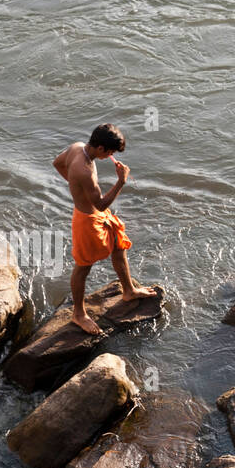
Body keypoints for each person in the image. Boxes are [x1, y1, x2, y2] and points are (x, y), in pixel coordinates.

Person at [52, 123, 155, 334]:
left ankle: (128, 290)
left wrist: (74, 185)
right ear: (101, 149)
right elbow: (100, 204)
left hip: (95, 214)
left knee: (118, 245)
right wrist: (121, 181)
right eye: (110, 152)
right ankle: (78, 314)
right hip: (87, 220)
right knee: (83, 267)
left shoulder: (77, 147)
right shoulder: (85, 170)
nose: (111, 156)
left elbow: (57, 163)